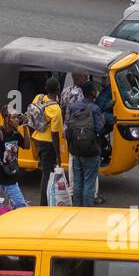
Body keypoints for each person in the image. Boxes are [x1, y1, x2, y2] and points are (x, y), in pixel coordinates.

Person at [62, 75, 106, 208]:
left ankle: (76, 208)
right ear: (92, 93)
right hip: (91, 151)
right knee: (89, 183)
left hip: (76, 151)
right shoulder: (95, 108)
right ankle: (87, 211)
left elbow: (69, 125)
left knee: (77, 182)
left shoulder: (74, 107)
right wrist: (103, 121)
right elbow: (100, 129)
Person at [27, 78, 66, 206]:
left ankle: (45, 201)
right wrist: (58, 156)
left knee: (45, 171)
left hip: (37, 138)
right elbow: (55, 134)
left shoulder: (39, 97)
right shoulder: (56, 109)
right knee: (47, 173)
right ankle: (44, 203)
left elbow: (31, 116)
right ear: (58, 89)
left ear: (45, 88)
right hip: (48, 143)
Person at [0, 104, 28, 210]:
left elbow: (26, 146)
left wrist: (26, 127)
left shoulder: (16, 134)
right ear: (6, 119)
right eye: (13, 118)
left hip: (11, 178)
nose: (17, 120)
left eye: (18, 117)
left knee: (20, 205)